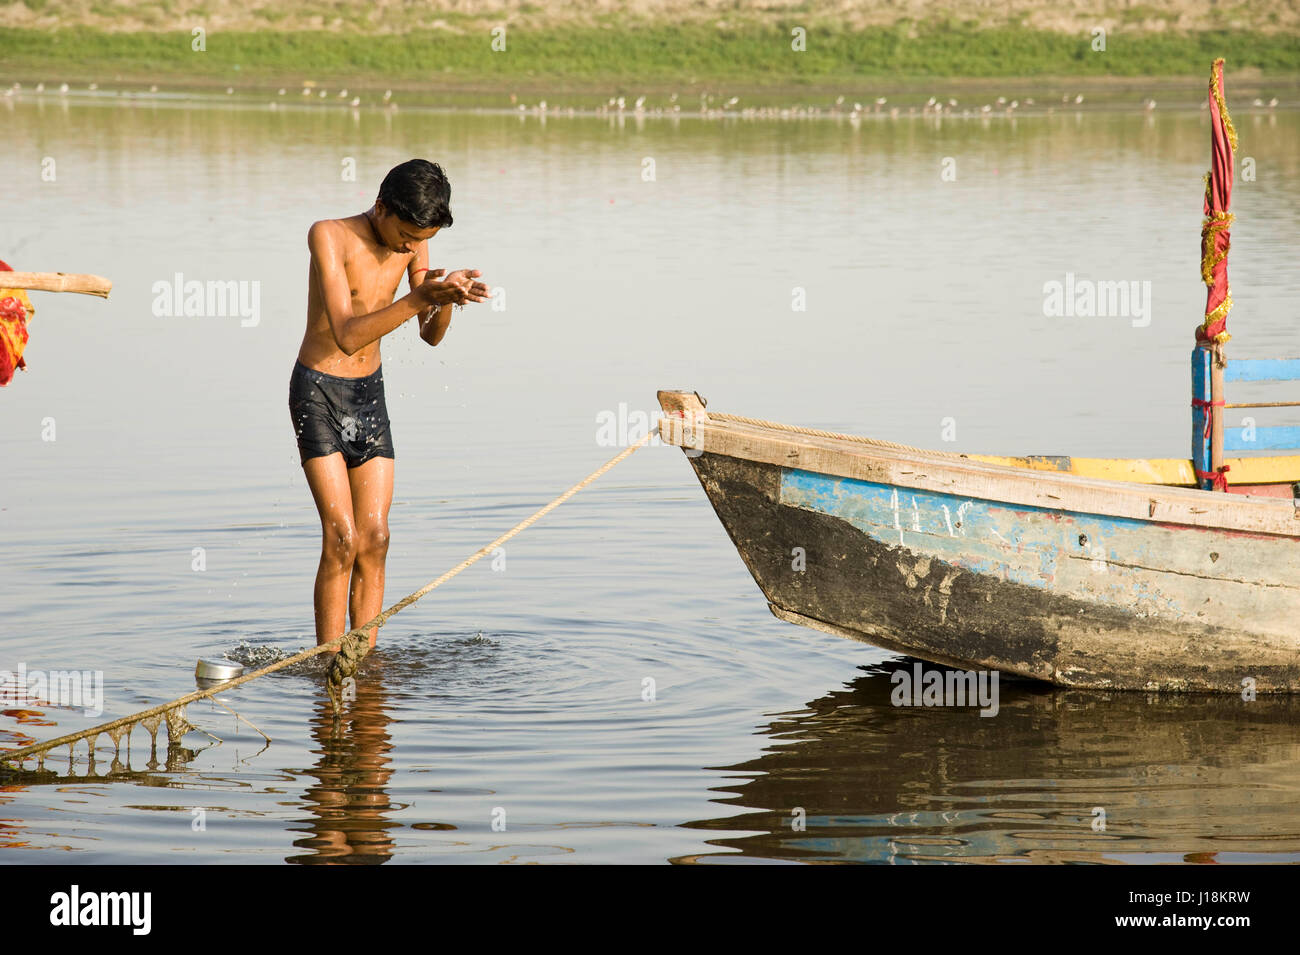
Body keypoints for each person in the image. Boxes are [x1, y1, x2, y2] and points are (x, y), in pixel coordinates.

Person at [289, 158, 490, 654]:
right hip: (317, 391)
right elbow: (348, 334)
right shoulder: (329, 236)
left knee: (375, 536)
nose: (409, 246)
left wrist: (445, 299)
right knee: (340, 536)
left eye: (419, 239)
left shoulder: (415, 241)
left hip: (367, 395)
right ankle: (328, 664)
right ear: (381, 206)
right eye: (405, 235)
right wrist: (420, 297)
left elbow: (430, 337)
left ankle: (363, 660)